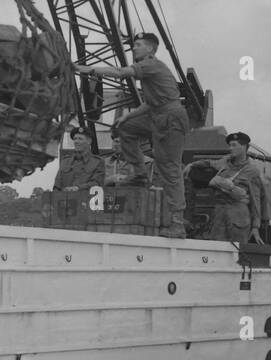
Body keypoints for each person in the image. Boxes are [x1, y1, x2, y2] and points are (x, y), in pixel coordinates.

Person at [76, 32, 188, 239]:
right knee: (125, 128)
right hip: (157, 114)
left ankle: (178, 224)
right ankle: (139, 174)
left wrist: (89, 69)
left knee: (169, 168)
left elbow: (120, 72)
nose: (134, 48)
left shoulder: (151, 65)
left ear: (150, 50)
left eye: (138, 45)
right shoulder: (150, 71)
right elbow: (150, 103)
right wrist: (127, 118)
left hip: (170, 119)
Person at [188, 131, 265, 244]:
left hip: (238, 215)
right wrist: (192, 165)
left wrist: (255, 227)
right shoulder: (224, 162)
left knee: (237, 252)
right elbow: (209, 163)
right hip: (219, 213)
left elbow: (256, 201)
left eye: (234, 145)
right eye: (230, 145)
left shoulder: (252, 171)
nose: (230, 148)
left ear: (244, 147)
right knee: (217, 250)